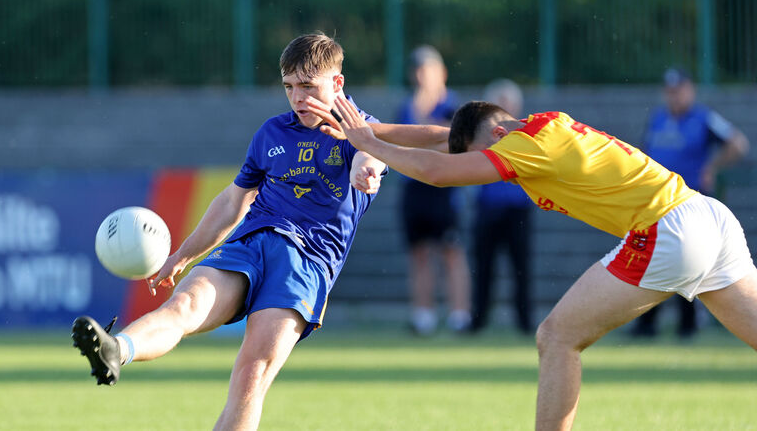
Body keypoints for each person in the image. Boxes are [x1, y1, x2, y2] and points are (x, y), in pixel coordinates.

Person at [306, 96, 757, 430]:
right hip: (710, 217)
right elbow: (443, 143)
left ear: (500, 136)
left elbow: (440, 172)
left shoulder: (522, 146)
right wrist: (369, 130)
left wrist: (370, 145)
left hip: (668, 231)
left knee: (557, 336)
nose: (487, 165)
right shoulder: (543, 125)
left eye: (487, 155)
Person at [71, 33, 386, 431]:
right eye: (289, 87)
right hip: (249, 244)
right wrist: (181, 256)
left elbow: (370, 154)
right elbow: (231, 203)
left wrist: (366, 168)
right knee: (182, 306)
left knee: (250, 377)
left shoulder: (364, 128)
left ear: (337, 84)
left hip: (305, 264)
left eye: (308, 86)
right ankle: (119, 348)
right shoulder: (272, 132)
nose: (297, 97)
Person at [632, 67, 751, 339]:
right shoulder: (658, 118)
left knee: (685, 262)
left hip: (690, 205)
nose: (674, 97)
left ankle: (687, 325)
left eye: (679, 91)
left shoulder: (703, 118)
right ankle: (647, 323)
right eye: (670, 92)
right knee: (655, 260)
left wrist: (712, 167)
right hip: (659, 204)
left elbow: (738, 143)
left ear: (690, 90)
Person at [397, 45, 470, 335]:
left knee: (452, 251)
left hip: (445, 187)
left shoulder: (455, 105)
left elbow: (448, 137)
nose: (421, 76)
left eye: (426, 69)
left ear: (442, 73)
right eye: (417, 70)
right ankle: (423, 315)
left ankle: (460, 314)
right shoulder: (407, 105)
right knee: (419, 253)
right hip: (415, 188)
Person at [471, 79, 533, 334]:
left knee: (521, 268)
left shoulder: (526, 135)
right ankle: (478, 320)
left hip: (518, 209)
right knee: (483, 267)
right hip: (488, 207)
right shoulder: (482, 136)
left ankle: (524, 320)